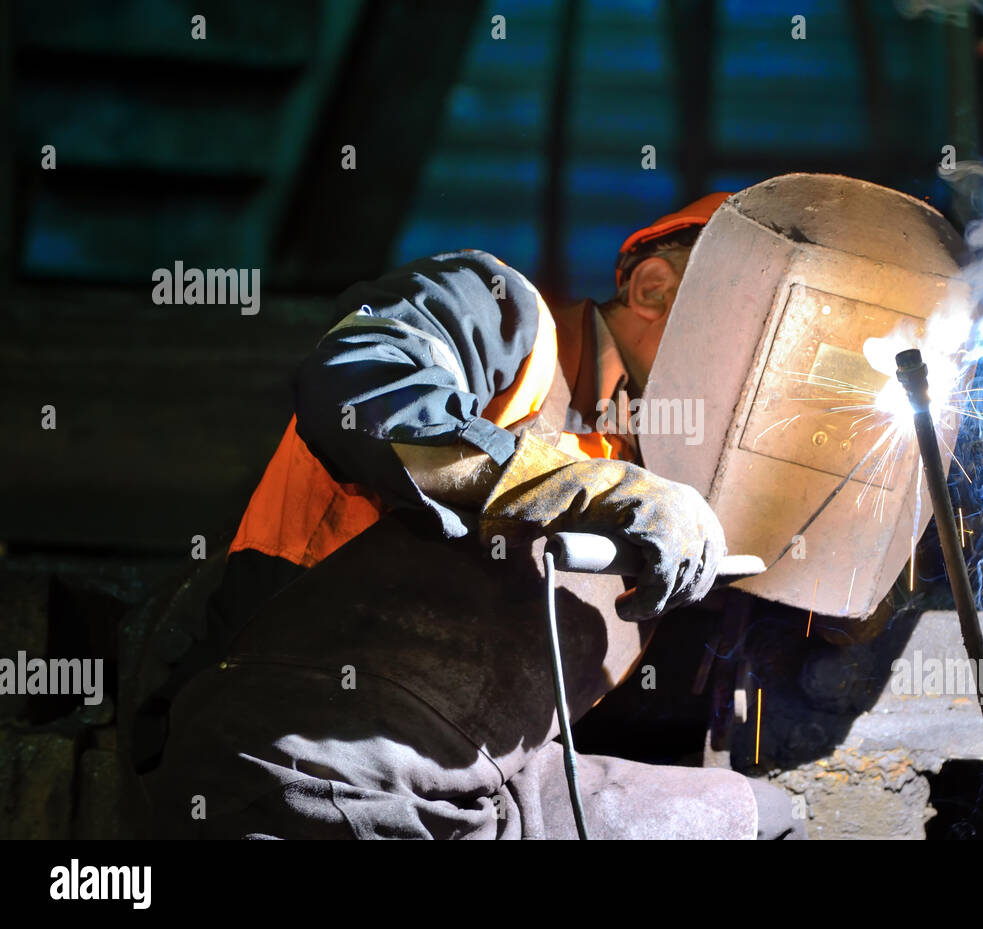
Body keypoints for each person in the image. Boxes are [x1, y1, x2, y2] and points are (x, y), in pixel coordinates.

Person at [141, 192, 805, 839]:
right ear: (654, 289)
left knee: (758, 820)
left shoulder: (659, 491)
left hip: (477, 788)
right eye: (758, 331)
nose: (766, 376)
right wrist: (582, 486)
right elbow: (359, 384)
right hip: (305, 750)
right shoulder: (503, 314)